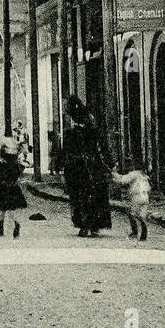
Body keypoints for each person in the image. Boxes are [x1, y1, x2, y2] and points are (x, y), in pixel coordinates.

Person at [62, 94, 113, 237]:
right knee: (93, 195)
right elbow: (102, 146)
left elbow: (65, 151)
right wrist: (110, 163)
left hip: (79, 166)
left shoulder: (72, 132)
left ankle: (85, 225)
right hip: (91, 164)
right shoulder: (89, 129)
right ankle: (92, 225)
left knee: (80, 195)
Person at [0, 137, 27, 239]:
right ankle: (16, 228)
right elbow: (19, 175)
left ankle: (1, 228)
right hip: (14, 189)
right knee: (14, 210)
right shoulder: (17, 165)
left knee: (1, 210)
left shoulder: (1, 165)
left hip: (3, 189)